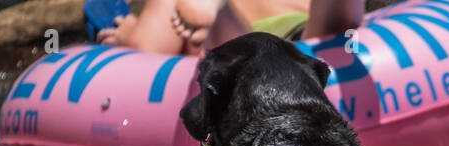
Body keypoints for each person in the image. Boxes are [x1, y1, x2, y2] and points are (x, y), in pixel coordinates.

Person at [95, 0, 365, 54]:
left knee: (240, 53)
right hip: (302, 29)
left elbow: (146, 55)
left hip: (246, 36)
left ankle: (220, 12)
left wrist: (131, 33)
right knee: (332, 31)